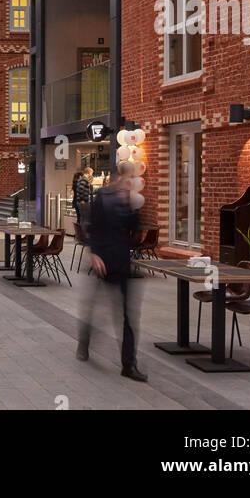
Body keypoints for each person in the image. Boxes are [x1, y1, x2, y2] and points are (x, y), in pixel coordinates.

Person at [76, 163, 147, 381]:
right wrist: (94, 254)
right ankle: (84, 342)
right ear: (115, 176)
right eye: (125, 176)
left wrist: (134, 208)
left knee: (127, 315)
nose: (127, 180)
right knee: (95, 310)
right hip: (102, 261)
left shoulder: (128, 200)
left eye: (130, 177)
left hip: (122, 262)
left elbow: (134, 230)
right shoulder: (101, 198)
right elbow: (92, 228)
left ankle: (129, 364)